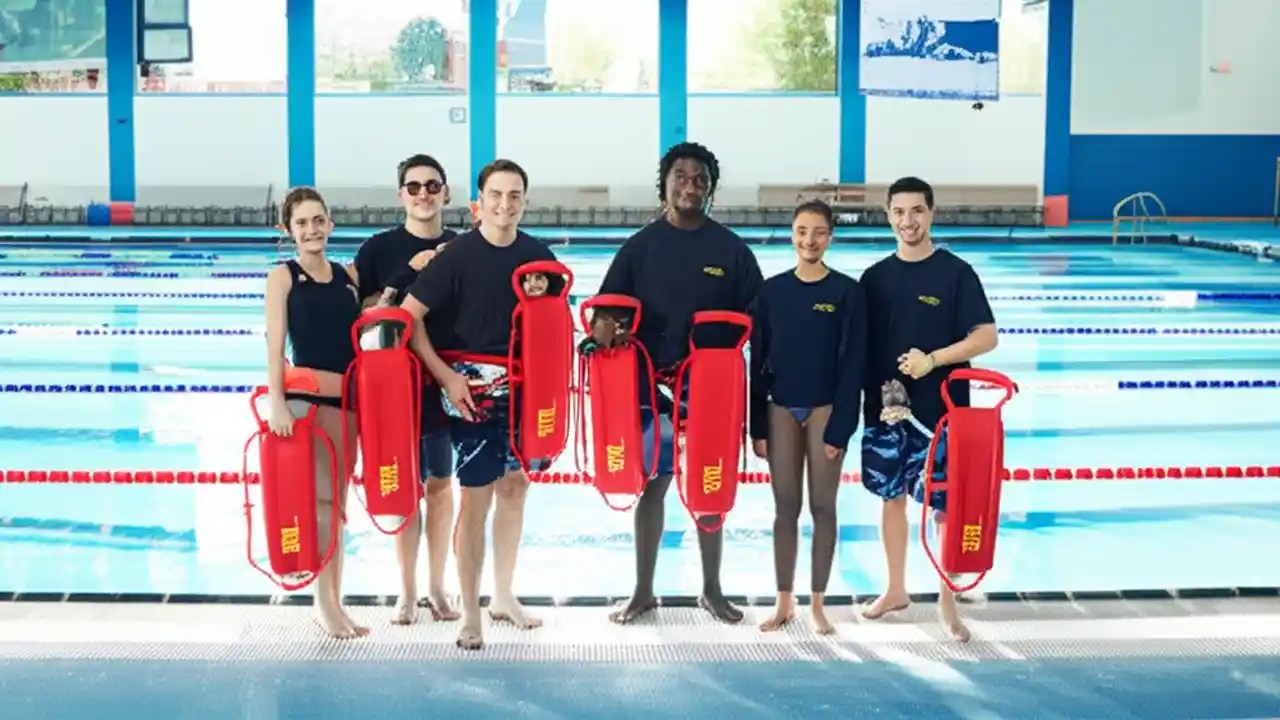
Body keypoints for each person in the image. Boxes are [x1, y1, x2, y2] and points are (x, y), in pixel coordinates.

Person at [590, 142, 764, 626]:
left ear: (710, 189)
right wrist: (604, 332)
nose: (690, 185)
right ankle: (643, 591)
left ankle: (711, 590)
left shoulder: (730, 250)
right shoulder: (641, 247)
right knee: (652, 486)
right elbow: (606, 311)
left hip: (710, 391)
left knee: (710, 483)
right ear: (664, 184)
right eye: (681, 176)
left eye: (700, 179)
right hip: (651, 386)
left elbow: (758, 317)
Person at [399, 159, 564, 650]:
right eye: (495, 195)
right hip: (472, 392)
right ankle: (471, 612)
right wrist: (445, 376)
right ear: (478, 202)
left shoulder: (540, 258)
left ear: (524, 202)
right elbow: (409, 319)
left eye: (514, 196)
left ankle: (504, 596)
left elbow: (555, 327)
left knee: (515, 488)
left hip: (526, 392)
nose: (504, 205)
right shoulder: (457, 256)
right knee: (476, 501)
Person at [858, 176, 998, 642]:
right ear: (888, 215)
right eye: (898, 212)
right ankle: (895, 590)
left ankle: (947, 604)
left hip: (942, 412)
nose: (907, 221)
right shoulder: (874, 278)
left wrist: (933, 360)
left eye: (916, 211)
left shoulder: (955, 273)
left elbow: (986, 336)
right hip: (886, 412)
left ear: (931, 212)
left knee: (945, 505)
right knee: (890, 498)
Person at [748, 199, 866, 635]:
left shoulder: (846, 293)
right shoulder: (771, 291)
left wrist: (842, 427)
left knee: (822, 506)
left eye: (818, 232)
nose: (809, 240)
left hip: (824, 409)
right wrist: (756, 426)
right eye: (801, 231)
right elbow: (757, 360)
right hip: (780, 407)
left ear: (830, 237)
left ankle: (818, 603)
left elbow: (853, 363)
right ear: (792, 234)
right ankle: (784, 602)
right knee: (784, 508)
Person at [353, 154, 460, 626]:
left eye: (431, 186)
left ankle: (437, 586)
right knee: (404, 488)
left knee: (439, 485)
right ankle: (407, 590)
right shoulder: (378, 250)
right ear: (401, 195)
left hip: (447, 382)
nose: (423, 194)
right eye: (413, 187)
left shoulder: (464, 246)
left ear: (446, 193)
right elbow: (363, 317)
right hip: (394, 386)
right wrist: (408, 272)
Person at [263, 187, 368, 640]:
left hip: (347, 405)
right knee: (320, 507)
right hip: (306, 406)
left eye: (318, 220)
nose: (312, 230)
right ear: (288, 230)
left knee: (338, 507)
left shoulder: (348, 277)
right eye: (302, 223)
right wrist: (277, 403)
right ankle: (323, 605)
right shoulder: (283, 277)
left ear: (331, 223)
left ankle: (335, 601)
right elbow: (274, 346)